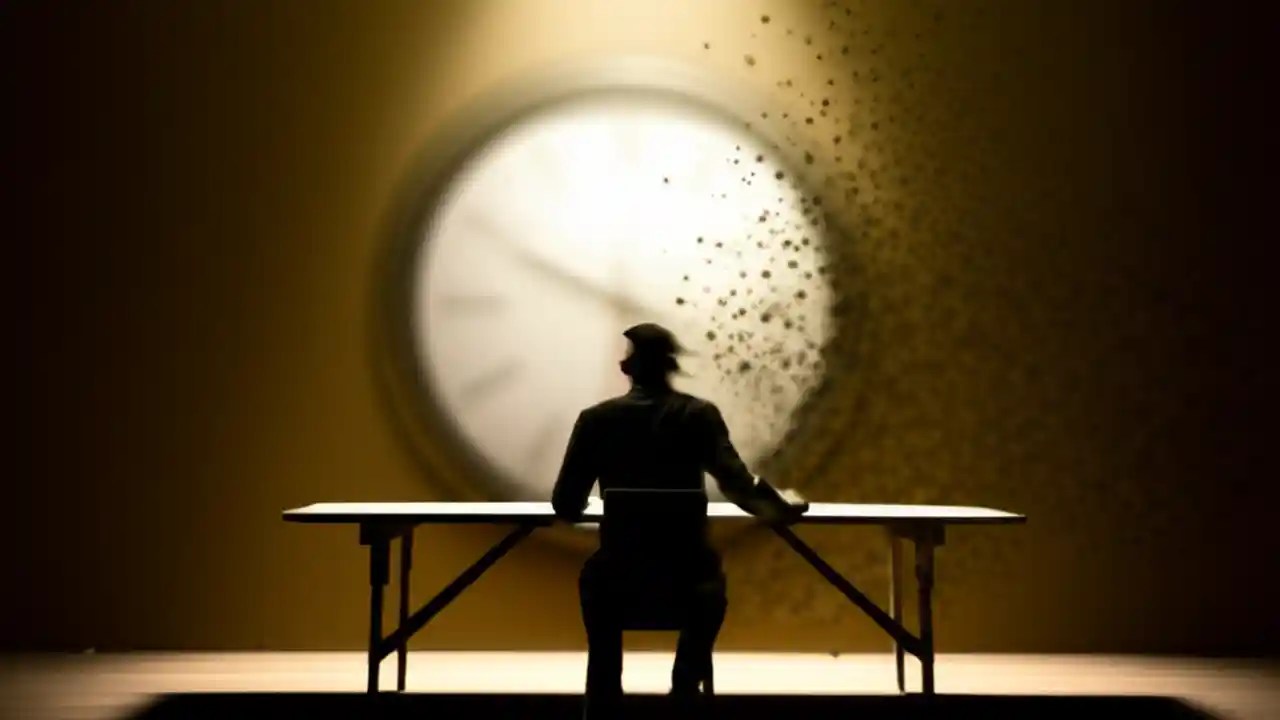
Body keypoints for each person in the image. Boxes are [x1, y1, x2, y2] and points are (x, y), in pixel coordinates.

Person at [551, 322, 803, 718]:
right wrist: (781, 506)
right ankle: (684, 688)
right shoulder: (699, 416)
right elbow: (739, 485)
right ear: (670, 365)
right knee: (710, 583)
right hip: (688, 578)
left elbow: (565, 504)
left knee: (594, 579)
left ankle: (604, 697)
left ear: (627, 368)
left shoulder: (596, 421)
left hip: (618, 577)